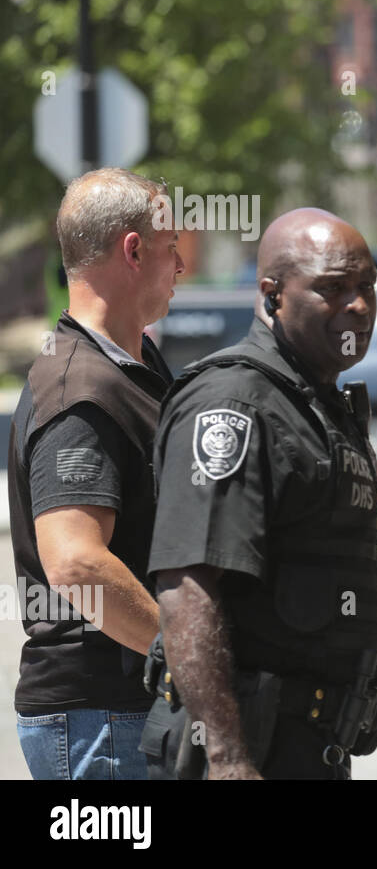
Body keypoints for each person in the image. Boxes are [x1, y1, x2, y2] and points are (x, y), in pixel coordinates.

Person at [141, 207, 377, 780]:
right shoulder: (234, 404)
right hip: (248, 747)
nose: (357, 305)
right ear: (272, 295)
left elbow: (351, 600)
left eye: (366, 287)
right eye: (331, 289)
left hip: (315, 748)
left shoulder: (322, 409)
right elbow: (188, 589)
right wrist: (230, 761)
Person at [8, 168, 183, 779]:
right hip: (102, 722)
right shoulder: (79, 385)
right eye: (171, 248)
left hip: (124, 715)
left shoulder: (132, 363)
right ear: (133, 250)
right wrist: (189, 657)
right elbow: (75, 563)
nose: (181, 266)